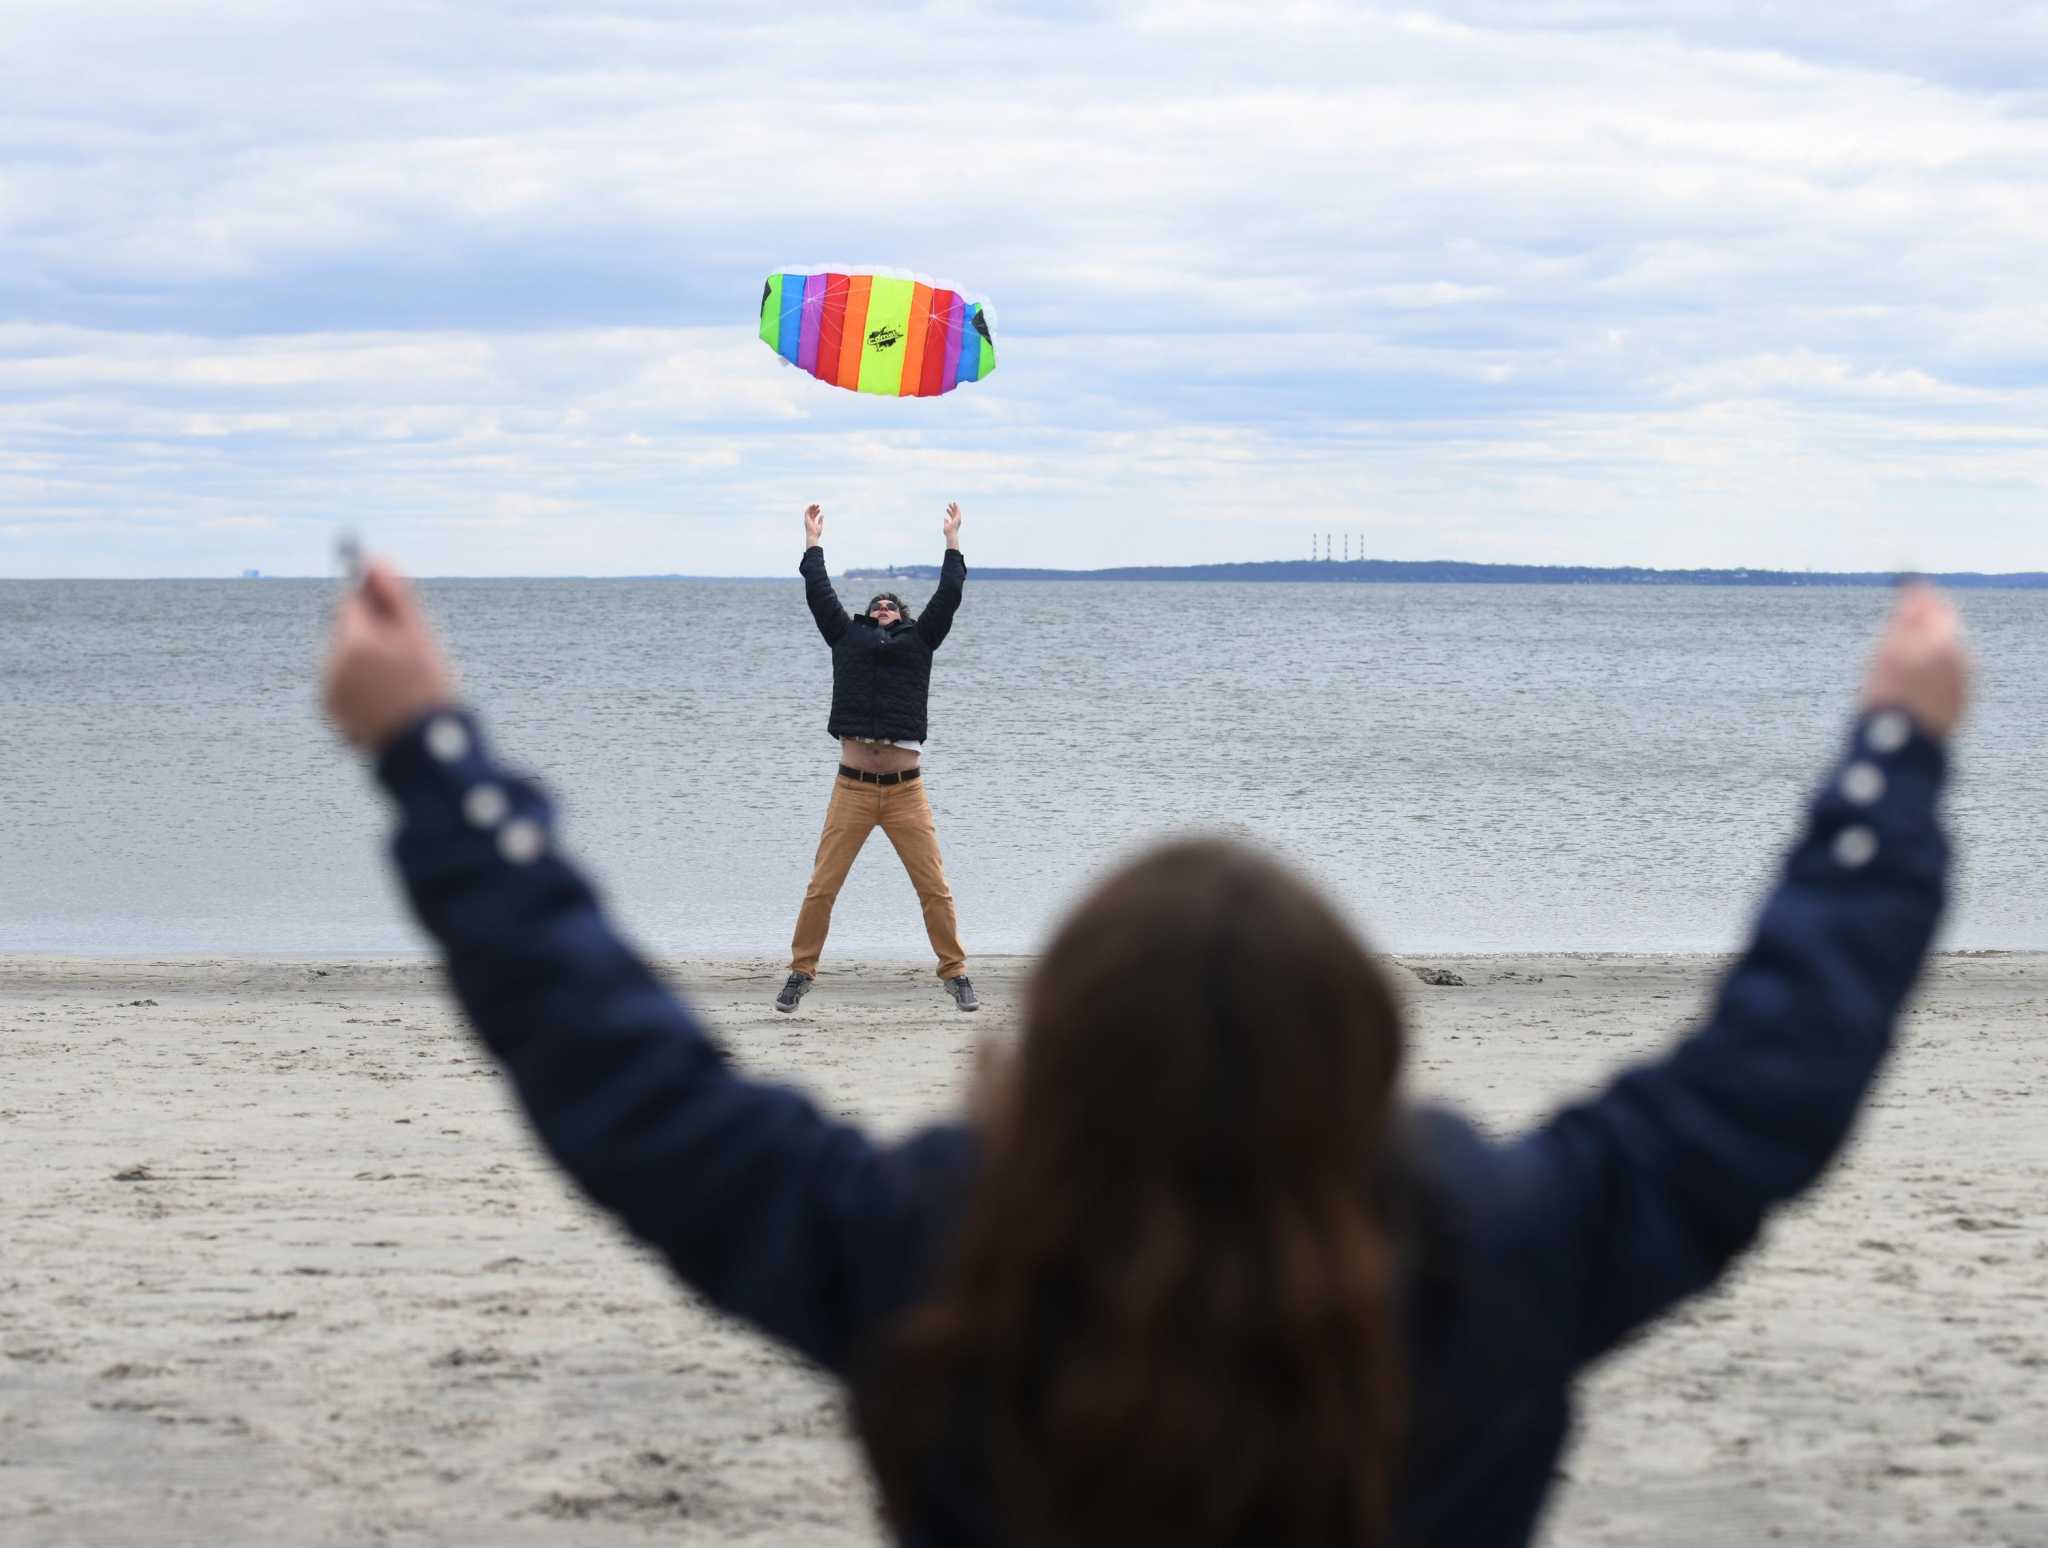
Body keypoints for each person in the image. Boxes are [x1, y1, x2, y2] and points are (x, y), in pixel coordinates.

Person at [323, 570, 1966, 1548]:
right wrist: (1894, 750)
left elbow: (626, 1083)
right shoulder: (1489, 1255)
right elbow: (1770, 1069)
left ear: (1051, 1071)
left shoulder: (931, 1263)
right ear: (1362, 1060)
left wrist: (425, 748)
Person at [780, 500, 974, 1015]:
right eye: (878, 605)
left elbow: (949, 596)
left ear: (904, 618)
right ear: (868, 616)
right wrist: (812, 542)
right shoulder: (847, 637)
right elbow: (819, 595)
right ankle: (801, 972)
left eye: (893, 604)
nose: (885, 606)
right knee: (822, 886)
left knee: (934, 886)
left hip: (907, 791)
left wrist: (952, 541)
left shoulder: (921, 641)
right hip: (852, 788)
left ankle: (956, 973)